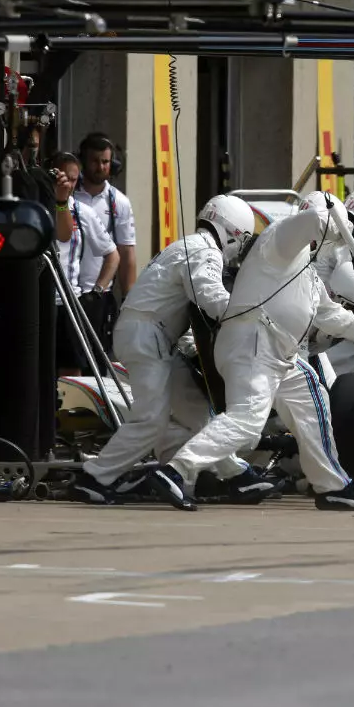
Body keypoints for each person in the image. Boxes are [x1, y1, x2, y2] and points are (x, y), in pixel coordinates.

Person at [149, 193, 354, 512]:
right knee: (247, 421)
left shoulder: (305, 270)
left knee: (311, 395)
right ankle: (175, 472)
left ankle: (334, 485)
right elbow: (315, 221)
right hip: (253, 346)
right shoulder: (281, 237)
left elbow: (331, 315)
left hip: (280, 357)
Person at [72, 194, 260, 504]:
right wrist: (253, 315)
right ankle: (95, 477)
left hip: (146, 334)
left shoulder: (186, 245)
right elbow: (211, 298)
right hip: (149, 336)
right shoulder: (206, 253)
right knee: (151, 420)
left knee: (194, 408)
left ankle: (233, 473)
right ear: (233, 234)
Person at [52, 152, 119, 377]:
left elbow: (113, 255)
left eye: (74, 179)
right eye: (64, 178)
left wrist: (97, 292)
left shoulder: (82, 212)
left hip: (69, 301)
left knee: (71, 367)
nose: (69, 184)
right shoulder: (36, 205)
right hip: (38, 299)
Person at [74, 133, 136, 353]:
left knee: (98, 358)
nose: (100, 167)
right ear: (83, 161)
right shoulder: (68, 195)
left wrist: (129, 299)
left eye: (105, 162)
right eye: (94, 161)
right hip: (66, 292)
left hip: (99, 295)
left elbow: (126, 251)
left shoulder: (119, 202)